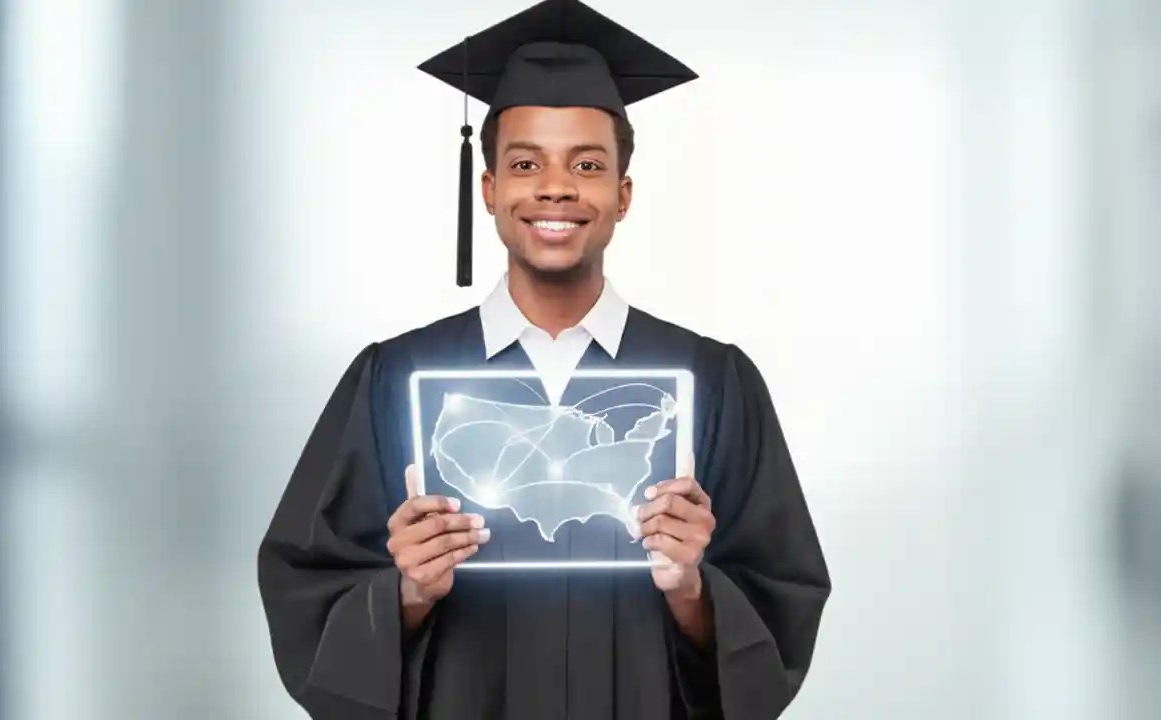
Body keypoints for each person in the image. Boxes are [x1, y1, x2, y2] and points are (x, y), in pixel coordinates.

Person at [257, 1, 831, 718]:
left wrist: (690, 586)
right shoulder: (394, 377)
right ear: (491, 189)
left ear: (622, 195)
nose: (555, 186)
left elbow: (779, 609)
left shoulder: (713, 382)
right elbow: (308, 594)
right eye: (525, 163)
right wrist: (406, 591)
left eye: (587, 164)